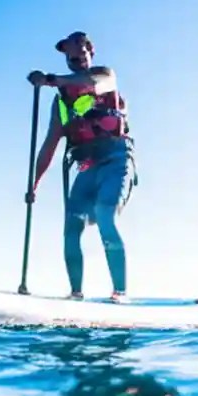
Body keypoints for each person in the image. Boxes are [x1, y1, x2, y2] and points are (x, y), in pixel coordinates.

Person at [27, 31, 137, 303]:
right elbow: (50, 144)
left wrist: (51, 80)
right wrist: (34, 184)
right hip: (87, 166)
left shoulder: (104, 75)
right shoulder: (61, 101)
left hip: (116, 159)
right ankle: (76, 294)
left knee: (104, 214)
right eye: (67, 54)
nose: (73, 57)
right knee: (72, 226)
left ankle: (119, 293)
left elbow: (90, 82)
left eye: (78, 50)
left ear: (90, 50)